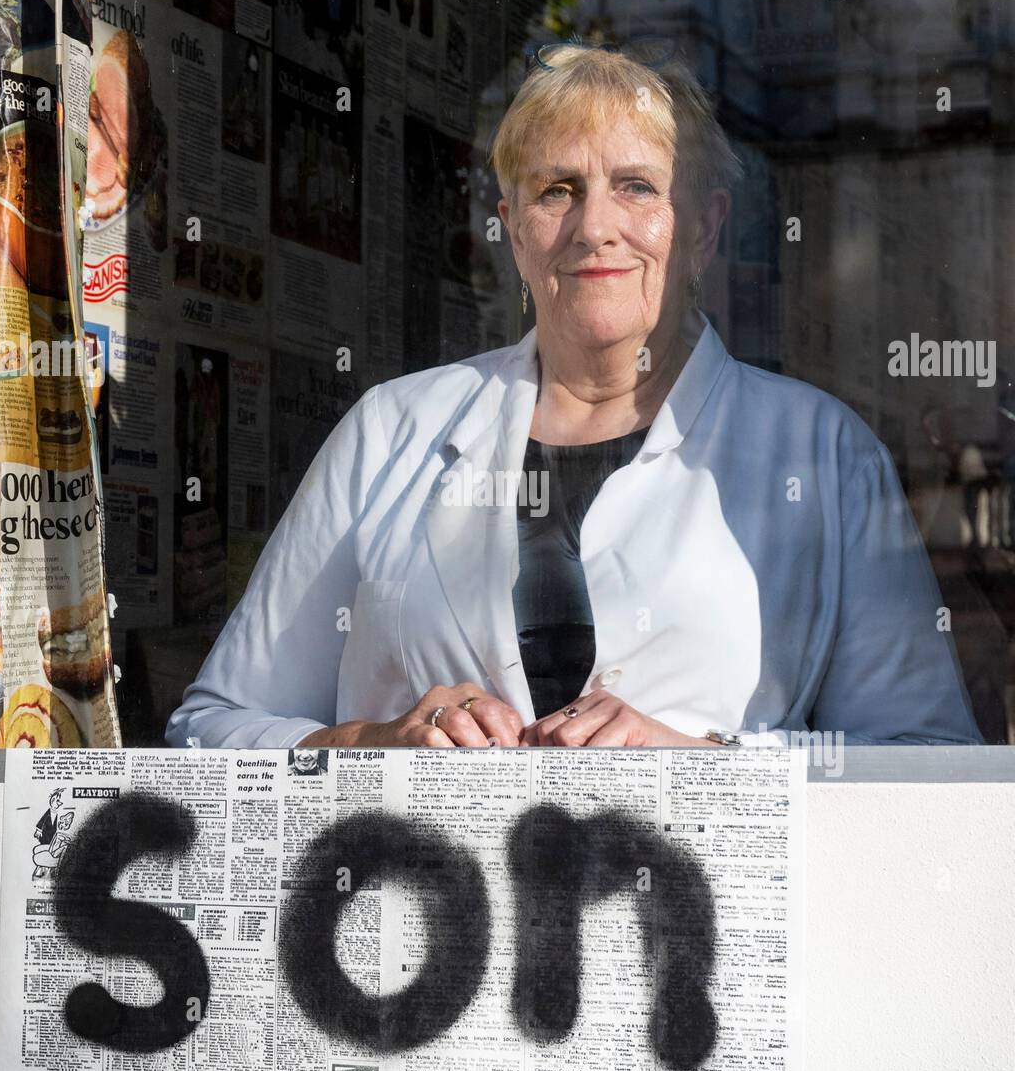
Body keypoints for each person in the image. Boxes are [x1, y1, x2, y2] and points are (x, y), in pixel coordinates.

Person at [167, 40, 982, 751]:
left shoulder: (822, 454)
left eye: (636, 186)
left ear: (699, 228)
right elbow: (215, 723)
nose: (595, 227)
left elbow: (921, 761)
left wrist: (704, 764)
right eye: (557, 189)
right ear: (513, 228)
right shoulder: (391, 432)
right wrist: (372, 740)